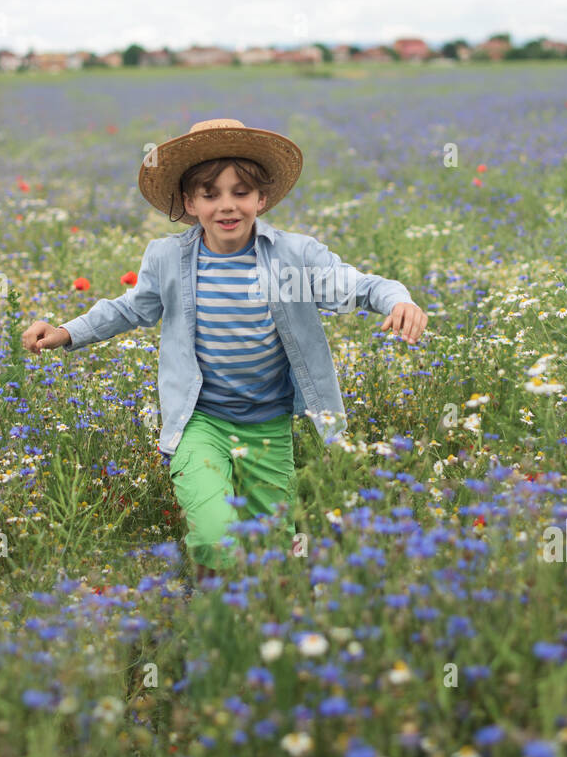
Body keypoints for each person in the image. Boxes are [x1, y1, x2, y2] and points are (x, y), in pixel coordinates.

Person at [22, 118, 427, 587]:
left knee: (272, 553)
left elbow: (360, 285)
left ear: (262, 198)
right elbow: (129, 309)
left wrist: (399, 299)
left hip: (268, 425)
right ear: (190, 203)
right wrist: (67, 332)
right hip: (200, 422)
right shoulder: (169, 259)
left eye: (240, 192)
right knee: (215, 534)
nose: (227, 205)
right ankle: (215, 619)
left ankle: (260, 629)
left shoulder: (294, 257)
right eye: (210, 193)